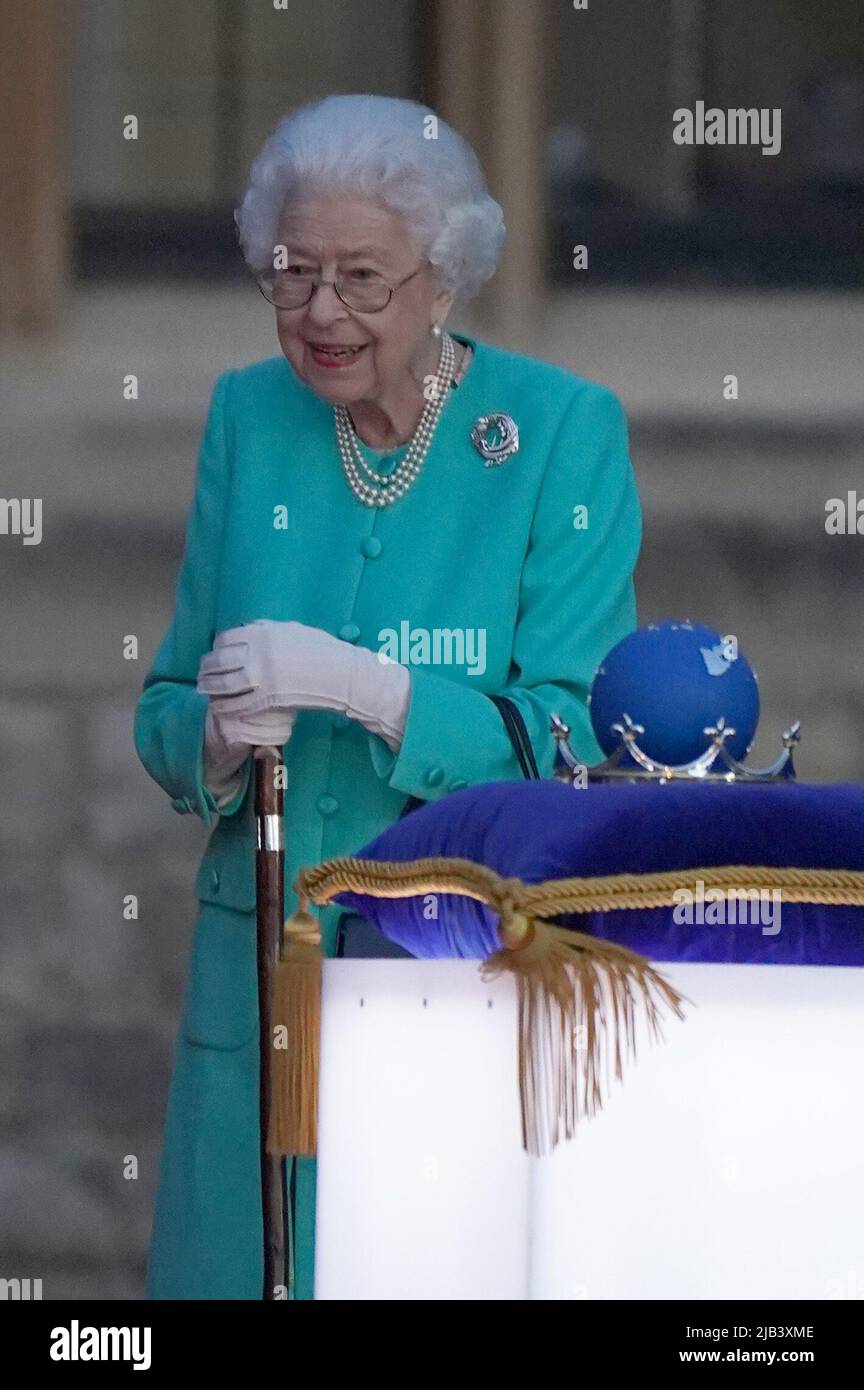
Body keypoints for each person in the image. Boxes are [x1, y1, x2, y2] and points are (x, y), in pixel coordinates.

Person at [134, 92, 642, 1300]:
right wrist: (210, 735)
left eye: (360, 275)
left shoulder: (561, 433)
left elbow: (578, 735)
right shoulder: (247, 418)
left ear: (444, 272)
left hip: (451, 966)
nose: (320, 311)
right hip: (255, 973)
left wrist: (372, 690)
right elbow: (161, 700)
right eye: (293, 270)